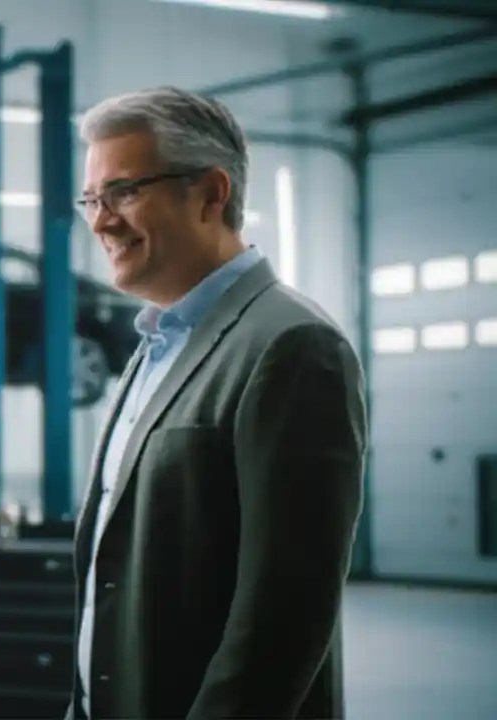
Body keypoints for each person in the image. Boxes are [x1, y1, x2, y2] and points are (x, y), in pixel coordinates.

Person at [67, 87, 367, 719]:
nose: (100, 221)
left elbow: (284, 616)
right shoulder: (154, 346)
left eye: (123, 192)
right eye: (92, 199)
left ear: (210, 193)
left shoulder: (290, 345)